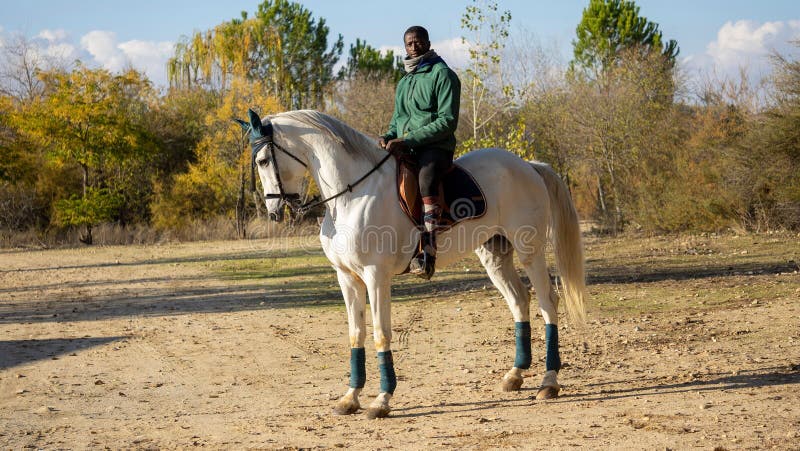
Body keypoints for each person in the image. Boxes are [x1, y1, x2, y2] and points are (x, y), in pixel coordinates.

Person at [379, 25, 461, 280]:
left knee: (426, 179)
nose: (413, 47)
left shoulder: (443, 74)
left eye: (418, 42)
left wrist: (409, 139)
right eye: (409, 43)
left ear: (427, 42)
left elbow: (447, 121)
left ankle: (428, 251)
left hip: (436, 148)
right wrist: (389, 136)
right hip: (407, 146)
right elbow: (397, 120)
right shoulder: (404, 81)